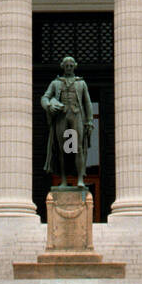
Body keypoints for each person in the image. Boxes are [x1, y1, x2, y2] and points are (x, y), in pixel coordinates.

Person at [41, 56, 93, 190]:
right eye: (66, 66)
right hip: (62, 117)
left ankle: (80, 178)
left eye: (71, 65)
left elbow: (87, 103)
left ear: (74, 66)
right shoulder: (55, 83)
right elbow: (45, 97)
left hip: (76, 116)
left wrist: (90, 121)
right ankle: (63, 180)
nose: (69, 68)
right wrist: (48, 105)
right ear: (63, 67)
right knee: (62, 150)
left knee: (78, 148)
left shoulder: (81, 83)